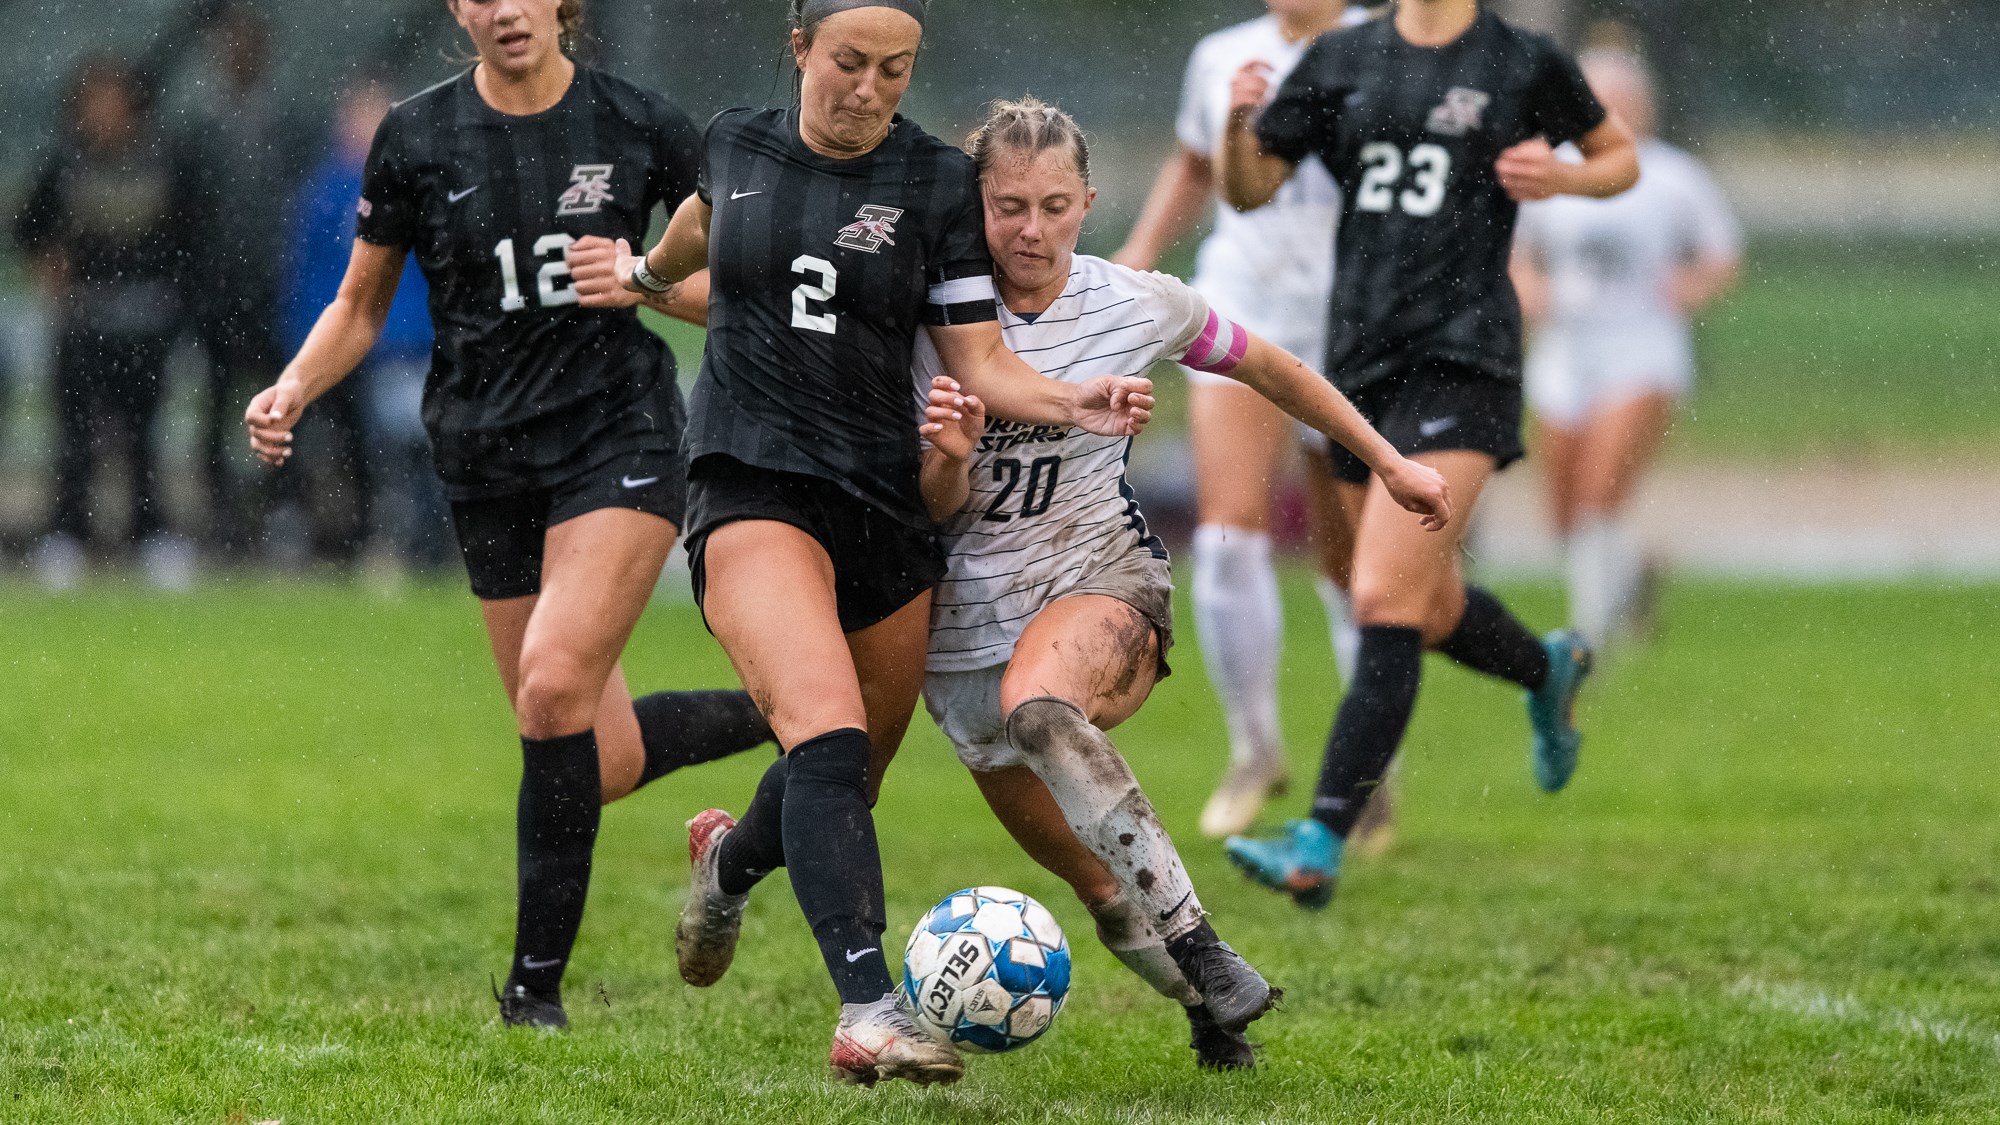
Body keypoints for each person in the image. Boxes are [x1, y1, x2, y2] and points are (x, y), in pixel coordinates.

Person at [572, 0, 1153, 1087]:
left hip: (883, 504)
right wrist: (647, 276)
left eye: (895, 68)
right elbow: (698, 229)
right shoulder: (736, 141)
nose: (870, 87)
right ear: (798, 48)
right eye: (849, 62)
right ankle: (869, 1009)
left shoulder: (934, 182)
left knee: (845, 775)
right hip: (748, 483)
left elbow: (977, 360)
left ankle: (728, 861)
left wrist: (1072, 400)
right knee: (827, 739)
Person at [243, 0, 772, 1031]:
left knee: (548, 684)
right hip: (484, 461)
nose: (503, 8)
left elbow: (742, 284)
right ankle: (793, 713)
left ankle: (534, 994)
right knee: (595, 752)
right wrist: (294, 387)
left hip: (616, 440)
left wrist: (643, 283)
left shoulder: (637, 122)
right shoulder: (418, 137)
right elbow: (358, 306)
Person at [916, 98, 1450, 1070]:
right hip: (957, 634)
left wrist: (1386, 461)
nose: (1029, 231)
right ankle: (1205, 1005)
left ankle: (1205, 945)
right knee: (1105, 893)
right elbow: (927, 504)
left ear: (1086, 202)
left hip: (1098, 577)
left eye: (1050, 205)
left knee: (1038, 708)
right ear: (973, 204)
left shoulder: (1134, 303)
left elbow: (1271, 369)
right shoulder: (929, 321)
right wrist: (947, 462)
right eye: (1005, 208)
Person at [1214, 0, 1640, 909]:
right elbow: (1251, 186)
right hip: (1360, 363)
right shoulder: (1342, 56)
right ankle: (1546, 668)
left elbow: (1620, 157)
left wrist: (1561, 181)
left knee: (1380, 596)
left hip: (1466, 360)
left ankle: (1321, 835)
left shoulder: (1520, 61)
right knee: (1427, 602)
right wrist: (1235, 124)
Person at [1112, 0, 1378, 841]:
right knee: (1229, 533)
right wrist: (1137, 260)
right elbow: (1195, 165)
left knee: (1353, 560)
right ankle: (1255, 748)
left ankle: (1367, 767)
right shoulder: (1223, 55)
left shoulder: (1383, 49)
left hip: (1353, 320)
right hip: (1244, 306)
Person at [1511, 47, 1741, 648]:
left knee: (1600, 488)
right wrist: (1532, 291)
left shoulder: (1673, 176)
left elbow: (1721, 255)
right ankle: (1630, 575)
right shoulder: (1552, 170)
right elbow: (1518, 254)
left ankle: (1590, 637)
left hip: (1642, 348)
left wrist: (1688, 286)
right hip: (1565, 350)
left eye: (1624, 99)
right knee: (1563, 511)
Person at [14, 55, 194, 591]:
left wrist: (175, 294)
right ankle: (67, 537)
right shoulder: (65, 165)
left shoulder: (161, 161)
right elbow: (26, 230)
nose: (104, 112)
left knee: (144, 436)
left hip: (146, 322)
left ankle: (150, 535)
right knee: (74, 437)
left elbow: (191, 233)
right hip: (83, 321)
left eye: (114, 99)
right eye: (94, 100)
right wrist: (46, 265)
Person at [282, 79, 449, 575]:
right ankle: (359, 540)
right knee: (358, 452)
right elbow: (308, 277)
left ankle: (422, 543)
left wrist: (421, 333)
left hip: (404, 348)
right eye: (359, 121)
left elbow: (431, 274)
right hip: (346, 350)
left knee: (412, 449)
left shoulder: (420, 187)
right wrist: (304, 349)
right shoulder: (322, 194)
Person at [180, 4, 315, 559]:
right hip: (219, 296)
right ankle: (222, 516)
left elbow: (302, 212)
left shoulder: (291, 124)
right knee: (217, 411)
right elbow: (187, 219)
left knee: (285, 405)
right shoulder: (200, 129)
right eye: (231, 46)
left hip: (277, 293)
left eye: (249, 45)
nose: (239, 56)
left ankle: (284, 512)